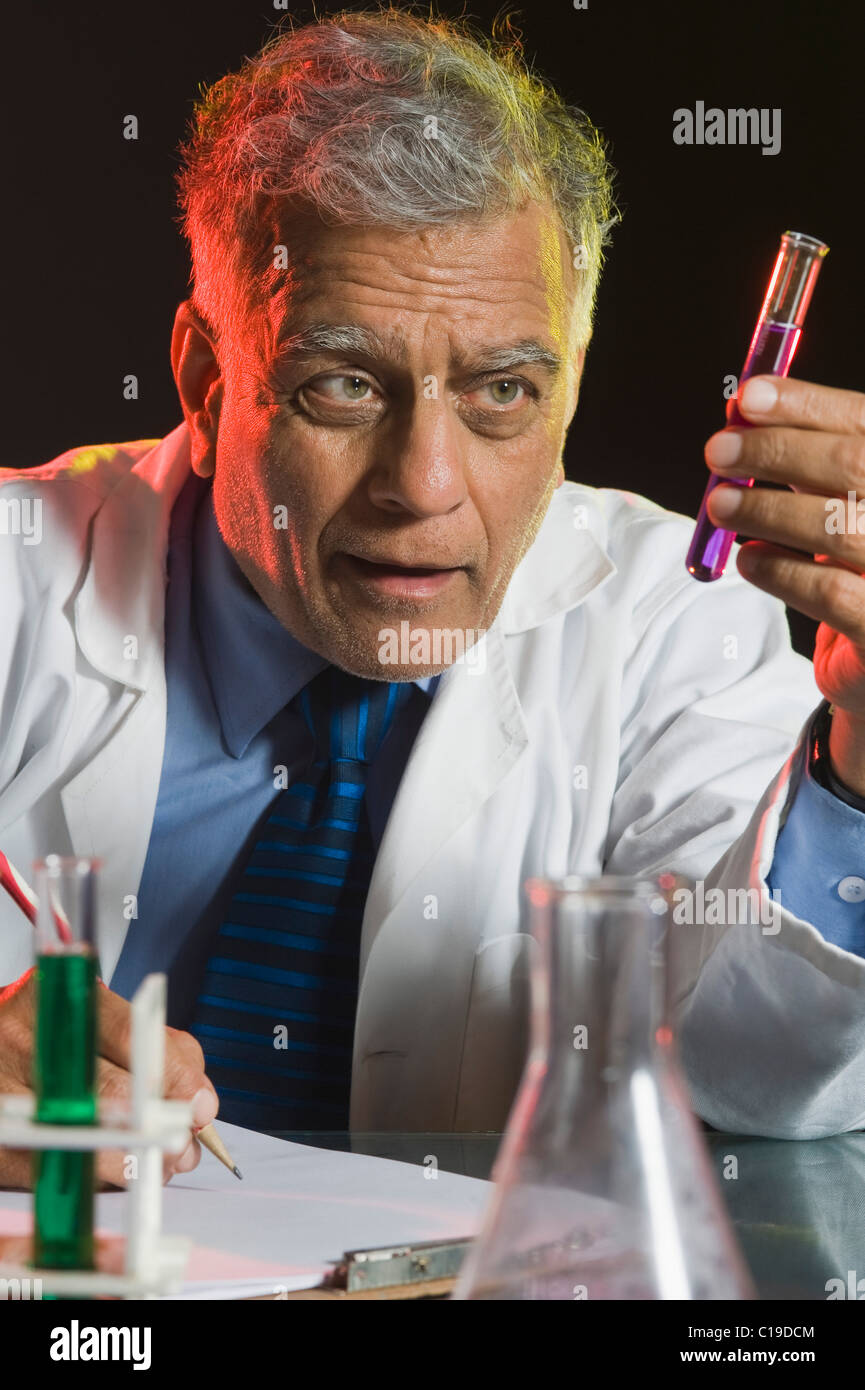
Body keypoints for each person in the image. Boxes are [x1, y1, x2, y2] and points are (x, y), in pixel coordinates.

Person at [2, 10, 865, 1189]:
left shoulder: (670, 622)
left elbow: (755, 1073)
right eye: (344, 384)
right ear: (209, 383)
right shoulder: (16, 575)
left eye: (502, 390)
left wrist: (859, 766)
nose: (426, 486)